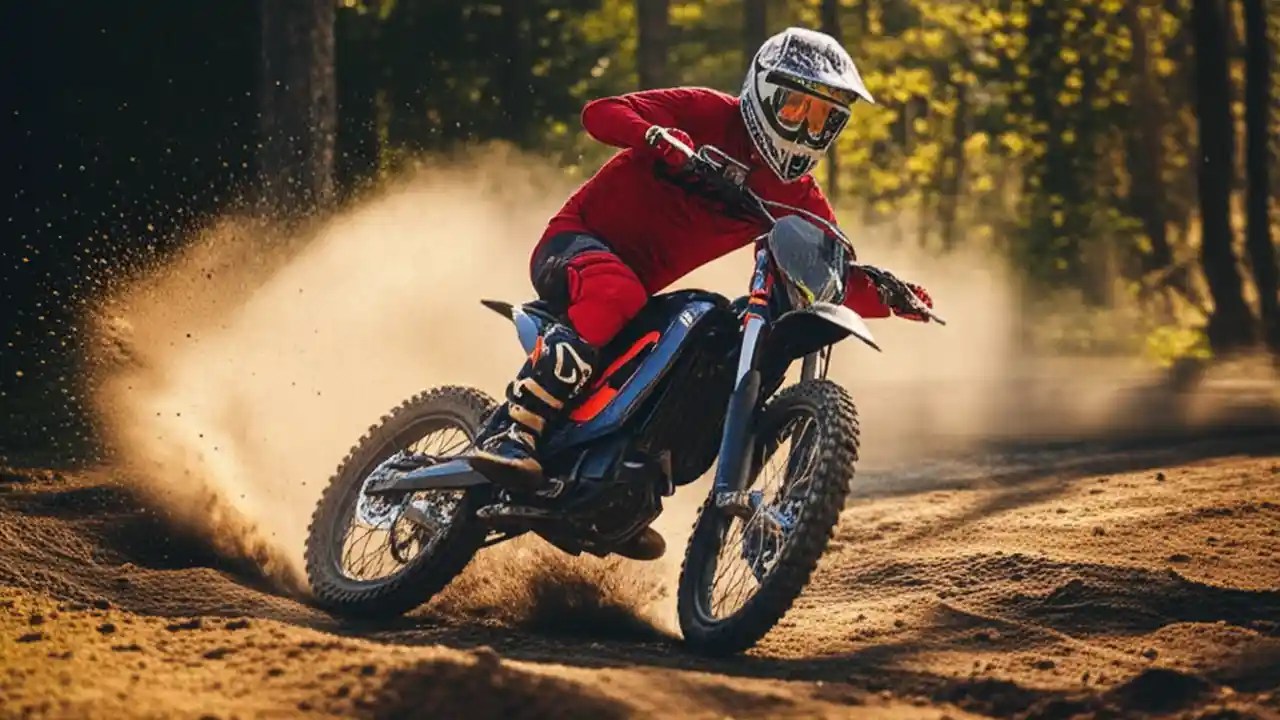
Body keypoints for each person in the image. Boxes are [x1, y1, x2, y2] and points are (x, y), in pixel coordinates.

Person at [471, 27, 932, 494]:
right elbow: (601, 113)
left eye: (822, 120)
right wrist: (655, 136)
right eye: (795, 108)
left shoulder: (796, 196)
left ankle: (619, 488)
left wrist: (894, 299)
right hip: (574, 244)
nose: (805, 130)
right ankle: (517, 430)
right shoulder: (707, 111)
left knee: (701, 339)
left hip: (638, 297)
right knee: (617, 291)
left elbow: (823, 274)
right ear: (763, 91)